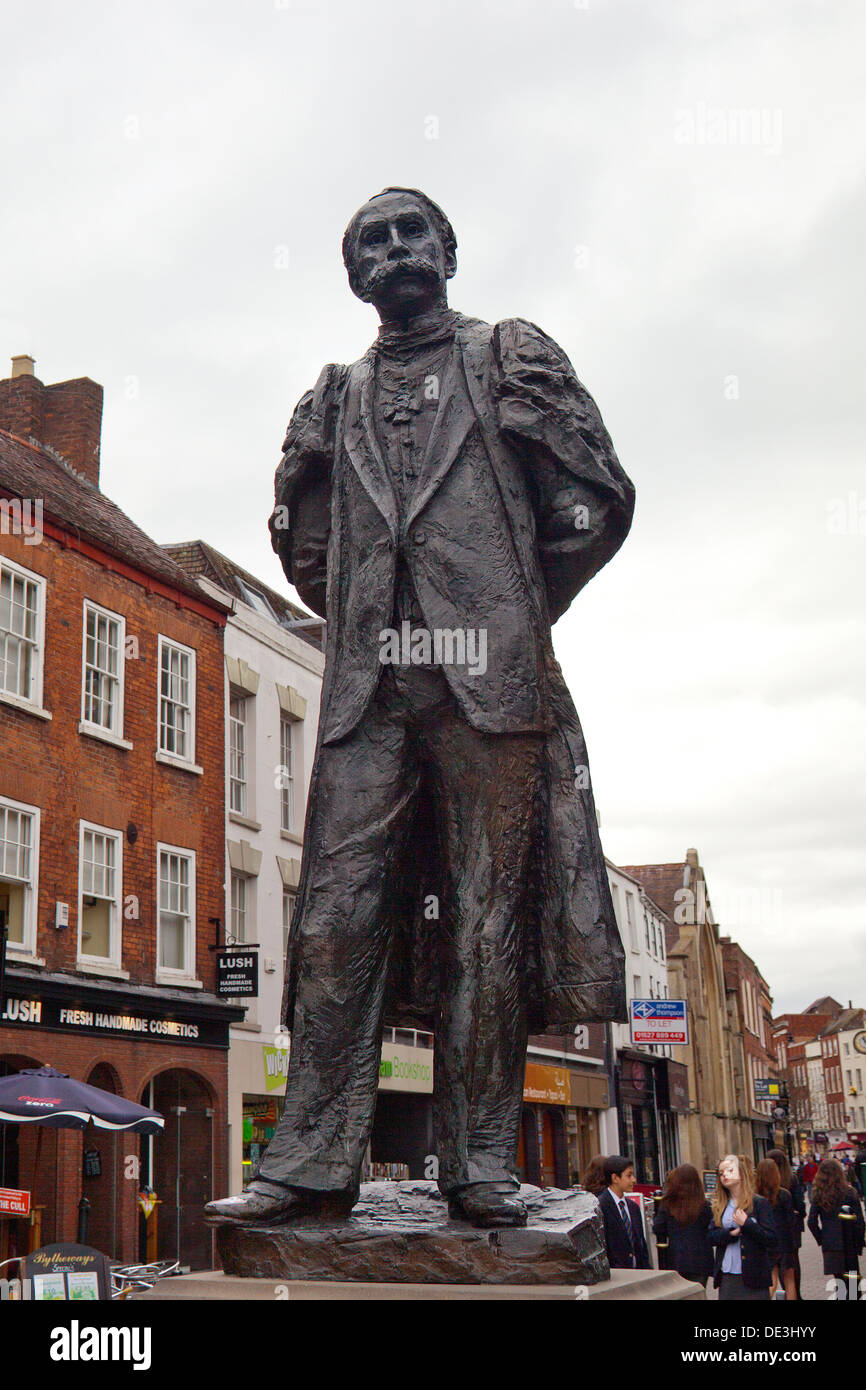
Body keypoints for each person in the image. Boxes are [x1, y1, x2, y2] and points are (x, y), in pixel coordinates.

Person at [204, 188, 635, 1231]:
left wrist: (514, 606)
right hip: (371, 685)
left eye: (411, 233)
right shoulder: (335, 394)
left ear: (446, 249)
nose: (394, 249)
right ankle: (309, 1159)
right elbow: (304, 544)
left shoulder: (507, 356)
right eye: (371, 241)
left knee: (487, 920)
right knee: (335, 917)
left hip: (490, 681)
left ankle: (477, 1158)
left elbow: (593, 498)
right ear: (353, 273)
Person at [708, 1153, 776, 1300]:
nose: (725, 1175)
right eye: (721, 1173)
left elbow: (771, 1239)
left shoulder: (759, 1203)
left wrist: (747, 1225)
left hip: (754, 1276)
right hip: (728, 1275)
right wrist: (731, 1234)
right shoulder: (720, 1205)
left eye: (730, 1171)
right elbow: (711, 1236)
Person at [652, 1164, 713, 1287]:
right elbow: (710, 1230)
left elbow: (658, 1228)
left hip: (677, 1260)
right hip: (701, 1261)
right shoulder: (704, 1206)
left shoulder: (668, 1205)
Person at [807, 1157, 866, 1286]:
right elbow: (859, 1222)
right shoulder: (850, 1193)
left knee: (839, 1282)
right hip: (849, 1243)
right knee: (851, 1285)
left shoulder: (819, 1193)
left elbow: (811, 1221)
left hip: (831, 1245)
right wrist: (859, 1242)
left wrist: (822, 1238)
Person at [598, 1155, 650, 1270]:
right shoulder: (601, 1206)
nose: (634, 1180)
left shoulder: (633, 1207)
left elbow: (641, 1245)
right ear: (615, 1178)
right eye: (629, 1175)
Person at [755, 1157, 797, 1300]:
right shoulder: (784, 1194)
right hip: (785, 1240)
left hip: (767, 1240)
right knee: (789, 1279)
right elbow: (791, 1221)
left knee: (771, 1277)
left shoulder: (756, 1197)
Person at [768, 1147, 806, 1299]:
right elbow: (800, 1206)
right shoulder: (791, 1179)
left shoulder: (763, 1184)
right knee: (791, 1268)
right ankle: (795, 1294)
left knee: (773, 1270)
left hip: (770, 1231)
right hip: (790, 1231)